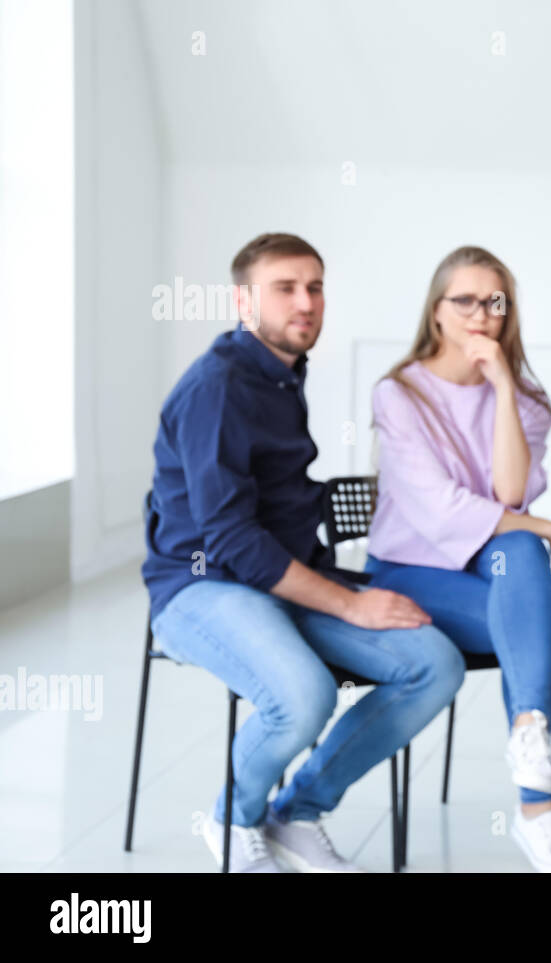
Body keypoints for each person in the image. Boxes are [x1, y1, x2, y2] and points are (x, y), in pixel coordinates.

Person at [143, 233, 465, 873]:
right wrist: (352, 603)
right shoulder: (218, 387)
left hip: (285, 577)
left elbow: (281, 503)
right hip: (200, 586)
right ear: (243, 301)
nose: (306, 302)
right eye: (284, 288)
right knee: (304, 696)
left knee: (435, 664)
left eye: (314, 287)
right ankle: (234, 817)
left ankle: (298, 811)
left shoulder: (282, 374)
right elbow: (230, 539)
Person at [362, 246, 551, 872]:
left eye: (496, 301)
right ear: (437, 313)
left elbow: (508, 494)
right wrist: (544, 524)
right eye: (464, 300)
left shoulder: (528, 403)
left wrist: (504, 388)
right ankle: (540, 807)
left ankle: (532, 775)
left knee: (518, 550)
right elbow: (438, 512)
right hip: (411, 575)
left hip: (495, 574)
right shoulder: (399, 393)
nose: (480, 314)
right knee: (527, 580)